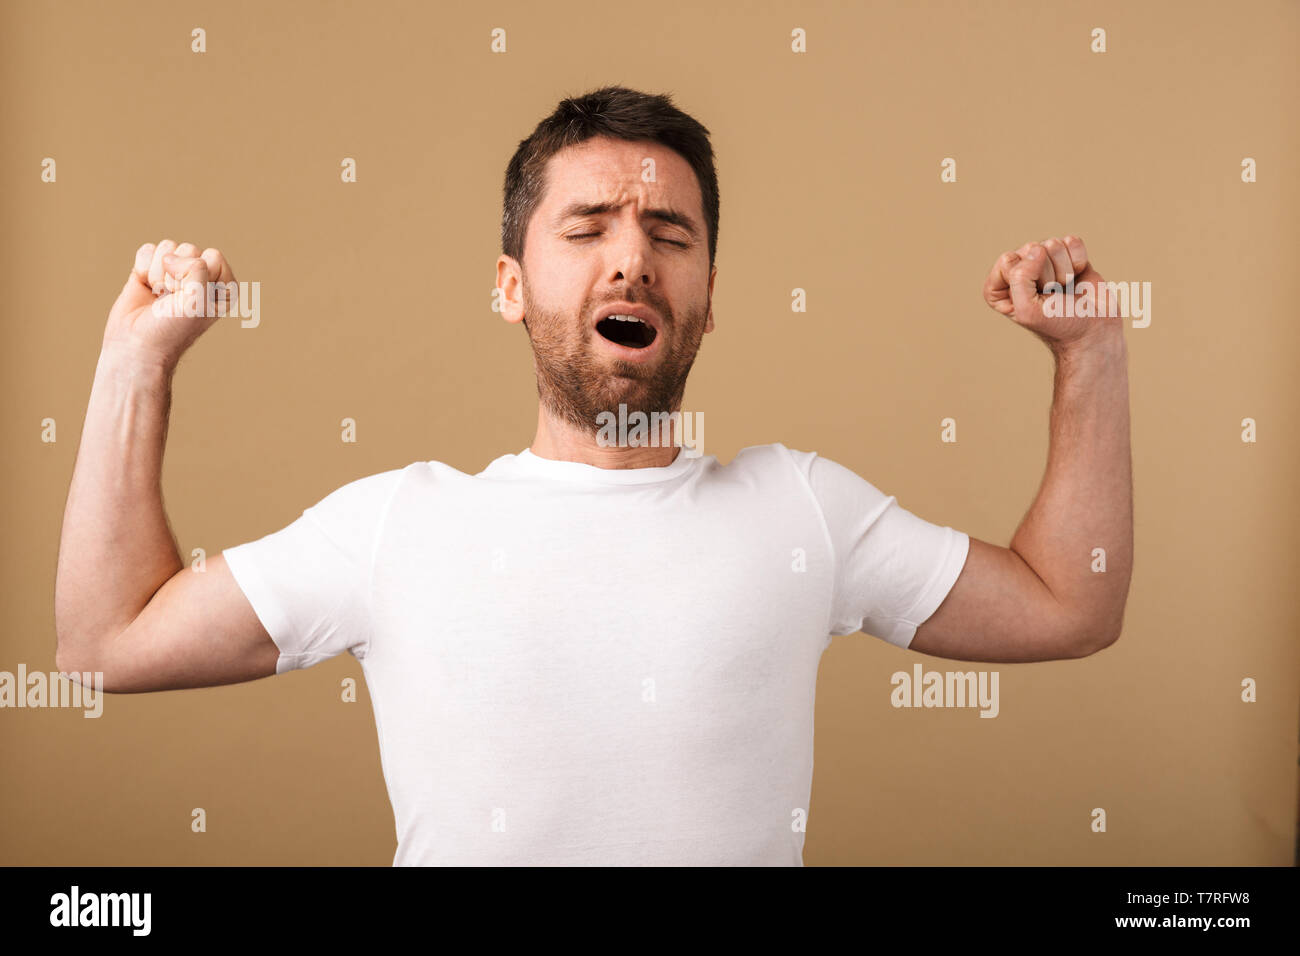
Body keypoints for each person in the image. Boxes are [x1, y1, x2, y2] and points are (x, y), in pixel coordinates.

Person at [53, 85, 1132, 865]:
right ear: (511, 286)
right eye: (587, 228)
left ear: (708, 295)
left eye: (671, 233)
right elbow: (105, 643)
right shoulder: (397, 524)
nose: (632, 259)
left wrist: (1090, 354)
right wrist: (134, 361)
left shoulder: (800, 507)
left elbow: (1067, 604)